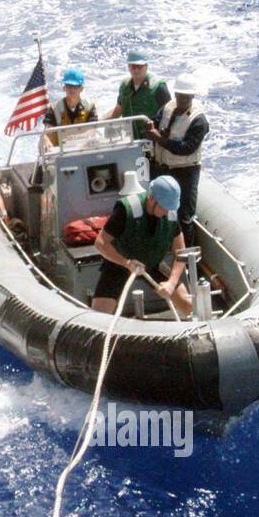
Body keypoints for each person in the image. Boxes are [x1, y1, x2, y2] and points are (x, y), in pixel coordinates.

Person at [90, 175, 192, 317]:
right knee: (99, 315)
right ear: (152, 199)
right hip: (119, 264)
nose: (168, 212)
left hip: (151, 263)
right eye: (165, 207)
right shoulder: (126, 211)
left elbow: (180, 253)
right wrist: (127, 263)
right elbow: (100, 243)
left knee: (187, 304)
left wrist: (171, 282)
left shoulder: (171, 214)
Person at [144, 74, 209, 246]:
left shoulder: (199, 120)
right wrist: (153, 130)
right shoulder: (167, 108)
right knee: (156, 210)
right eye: (179, 95)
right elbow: (156, 123)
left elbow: (186, 148)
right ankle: (158, 249)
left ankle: (186, 263)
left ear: (193, 96)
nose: (182, 99)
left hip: (185, 172)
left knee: (184, 216)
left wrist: (158, 138)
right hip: (163, 168)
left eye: (186, 96)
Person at [103, 47, 170, 125]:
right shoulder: (125, 86)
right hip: (130, 134)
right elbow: (118, 109)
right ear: (129, 67)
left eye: (140, 66)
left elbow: (168, 113)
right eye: (133, 66)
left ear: (146, 66)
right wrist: (98, 122)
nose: (136, 70)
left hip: (151, 135)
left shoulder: (158, 87)